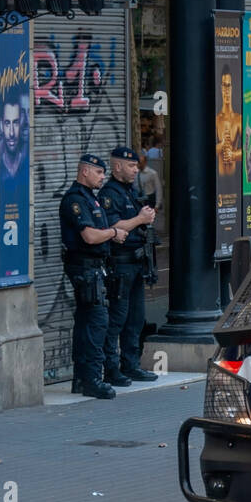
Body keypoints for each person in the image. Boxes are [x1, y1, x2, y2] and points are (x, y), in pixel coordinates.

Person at [61, 154, 125, 399]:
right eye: (98, 172)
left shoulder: (91, 199)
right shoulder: (75, 200)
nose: (102, 177)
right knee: (96, 323)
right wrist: (113, 233)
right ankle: (91, 380)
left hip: (95, 268)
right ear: (85, 171)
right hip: (85, 269)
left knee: (88, 323)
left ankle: (82, 379)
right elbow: (89, 236)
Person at [100, 146, 159, 385]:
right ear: (117, 167)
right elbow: (113, 228)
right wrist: (140, 219)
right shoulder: (109, 194)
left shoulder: (130, 191)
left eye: (136, 166)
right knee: (117, 318)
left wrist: (146, 218)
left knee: (136, 318)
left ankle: (131, 364)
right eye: (131, 166)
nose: (136, 170)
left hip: (136, 263)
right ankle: (111, 368)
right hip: (120, 264)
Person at [215, 70, 242, 177]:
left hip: (234, 177)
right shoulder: (216, 120)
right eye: (224, 86)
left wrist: (234, 155)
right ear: (221, 88)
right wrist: (221, 145)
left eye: (228, 85)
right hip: (219, 177)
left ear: (232, 87)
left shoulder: (238, 119)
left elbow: (250, 151)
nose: (226, 90)